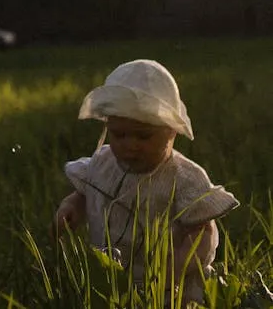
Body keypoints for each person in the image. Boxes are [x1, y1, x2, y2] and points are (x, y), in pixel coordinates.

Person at [53, 59, 239, 306]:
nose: (130, 145)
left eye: (144, 136)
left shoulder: (182, 178)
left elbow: (203, 231)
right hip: (112, 281)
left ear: (171, 131)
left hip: (170, 285)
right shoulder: (102, 164)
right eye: (120, 134)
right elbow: (85, 193)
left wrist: (178, 266)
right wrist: (71, 207)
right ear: (108, 127)